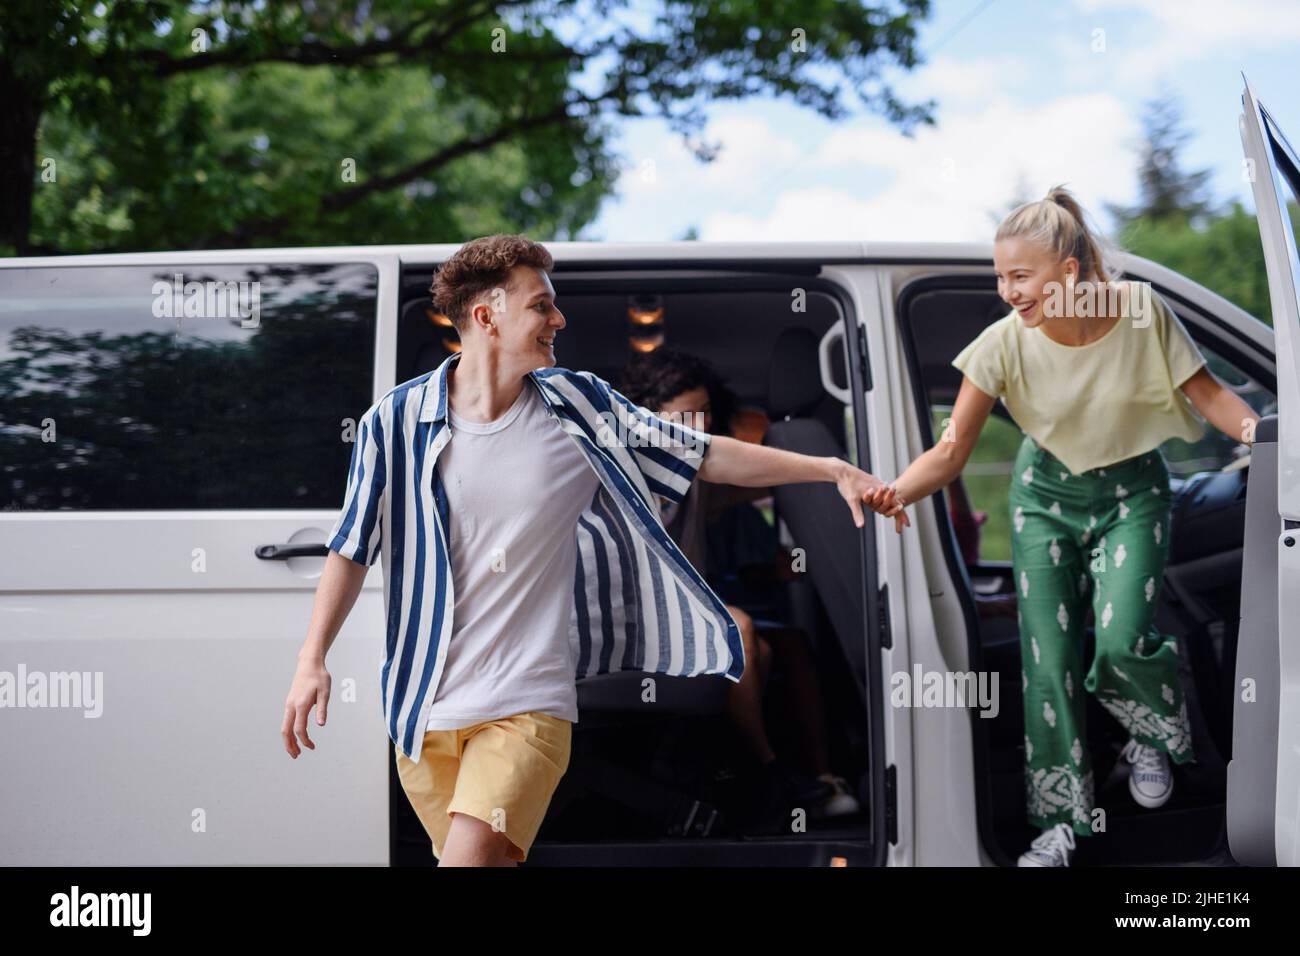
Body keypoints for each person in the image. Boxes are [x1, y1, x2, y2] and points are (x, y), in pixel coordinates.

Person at [281, 234, 894, 866]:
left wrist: (827, 469)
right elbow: (353, 545)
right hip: (422, 706)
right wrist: (312, 658)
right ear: (487, 317)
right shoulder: (394, 420)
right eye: (541, 306)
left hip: (526, 703)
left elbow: (703, 455)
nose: (558, 319)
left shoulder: (578, 408)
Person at [864, 186, 1260, 867]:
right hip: (1042, 498)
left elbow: (1210, 396)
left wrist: (1271, 441)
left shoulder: (1140, 313)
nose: (1007, 291)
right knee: (1047, 664)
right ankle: (1061, 826)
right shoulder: (1000, 345)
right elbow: (952, 449)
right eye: (1001, 277)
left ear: (1068, 272)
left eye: (1020, 276)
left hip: (1132, 492)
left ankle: (1148, 733)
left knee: (1121, 638)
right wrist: (893, 491)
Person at [619, 347, 862, 824]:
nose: (700, 425)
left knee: (773, 649)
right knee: (741, 629)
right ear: (648, 417)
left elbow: (746, 466)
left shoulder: (697, 469)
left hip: (677, 611)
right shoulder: (625, 467)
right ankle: (766, 773)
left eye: (706, 411)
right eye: (686, 414)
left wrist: (836, 470)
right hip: (628, 620)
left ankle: (775, 775)